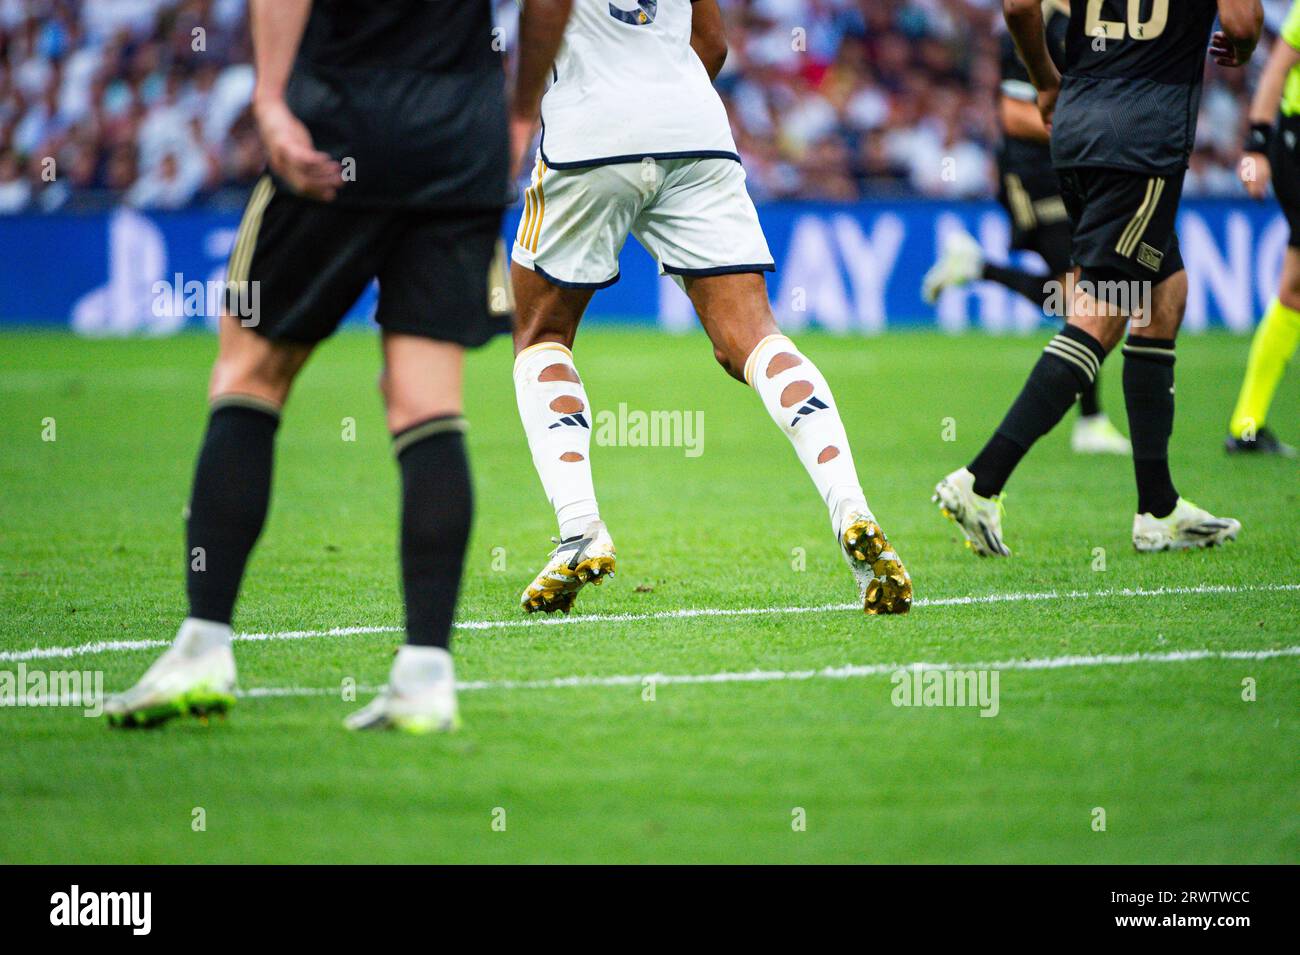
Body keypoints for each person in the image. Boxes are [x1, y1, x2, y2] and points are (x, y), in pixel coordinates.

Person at [104, 0, 572, 733]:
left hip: (340, 124)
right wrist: (517, 111)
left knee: (250, 375)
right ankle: (425, 674)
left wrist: (268, 99)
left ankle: (203, 646)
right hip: (457, 136)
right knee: (427, 402)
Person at [509, 0, 911, 616]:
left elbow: (544, 11)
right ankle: (850, 506)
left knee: (542, 336)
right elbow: (713, 42)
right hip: (694, 128)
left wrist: (520, 111)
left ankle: (580, 528)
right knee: (754, 338)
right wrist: (662, 103)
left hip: (590, 131)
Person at [934, 0, 1261, 556]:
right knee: (1104, 310)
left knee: (1164, 294)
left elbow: (1016, 7)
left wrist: (1045, 81)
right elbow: (1243, 23)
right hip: (1143, 138)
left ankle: (1158, 508)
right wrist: (1245, 47)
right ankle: (979, 482)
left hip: (1078, 127)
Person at [922, 0, 1130, 456]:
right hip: (1033, 174)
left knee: (1077, 292)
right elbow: (1014, 115)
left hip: (1068, 171)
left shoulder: (1084, 22)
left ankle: (978, 269)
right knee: (1084, 292)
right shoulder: (1033, 26)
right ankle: (1091, 421)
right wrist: (1093, 130)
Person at [1226, 0, 1300, 457]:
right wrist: (1257, 145)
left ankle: (1246, 426)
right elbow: (1277, 69)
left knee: (1293, 291)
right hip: (1296, 139)